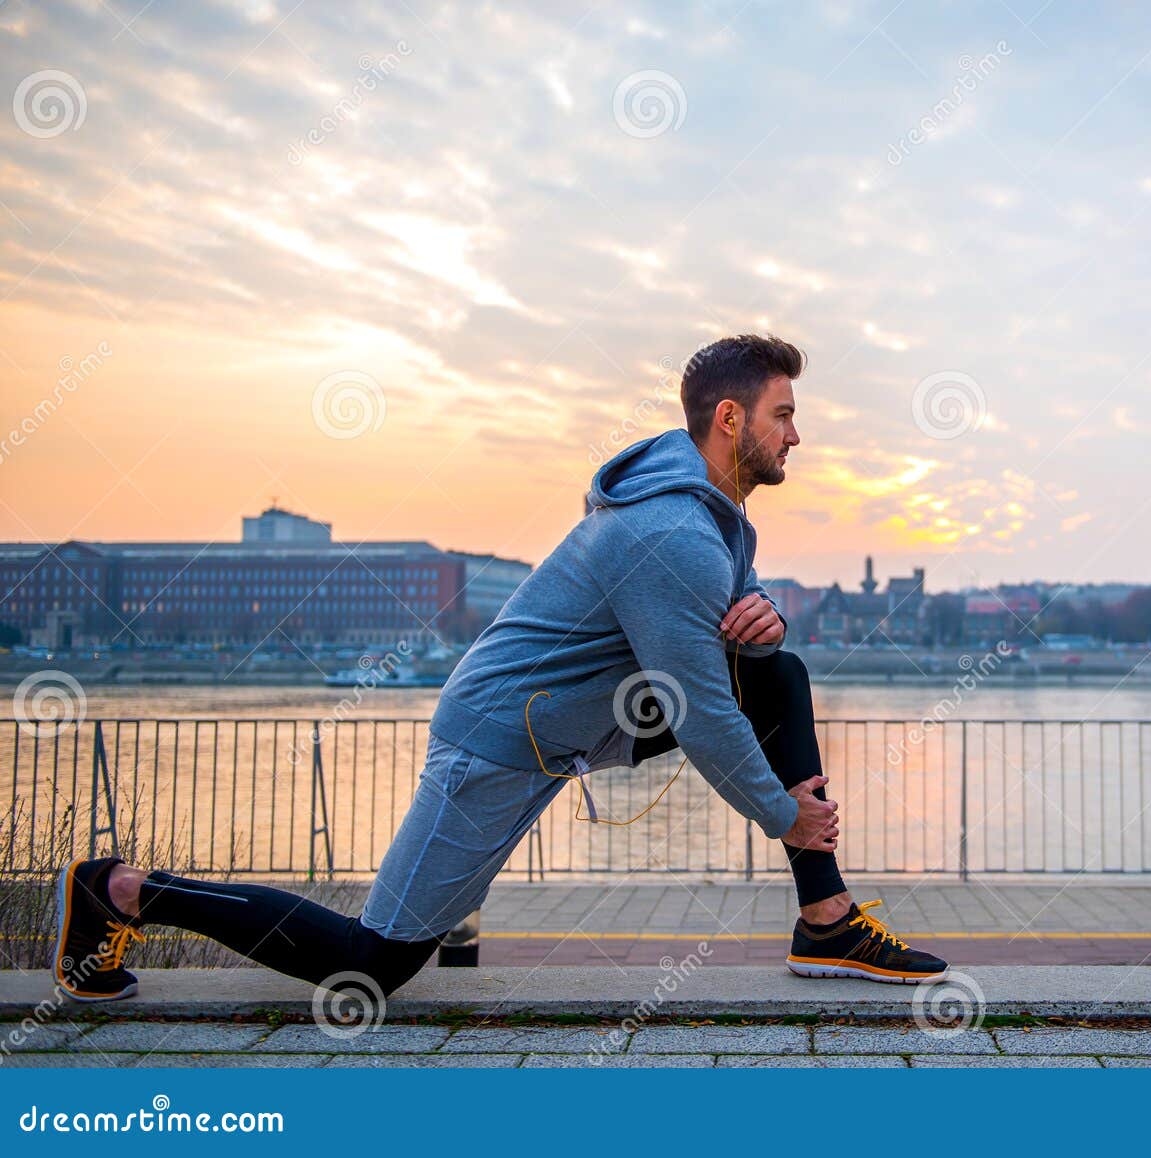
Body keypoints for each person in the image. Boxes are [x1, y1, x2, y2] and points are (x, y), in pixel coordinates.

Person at [53, 333, 948, 1004]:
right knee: (373, 967)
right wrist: (787, 815)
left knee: (779, 673)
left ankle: (824, 923)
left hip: (575, 716)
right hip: (497, 740)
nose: (798, 435)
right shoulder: (671, 531)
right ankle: (120, 891)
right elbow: (706, 712)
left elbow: (741, 636)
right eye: (784, 414)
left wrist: (768, 620)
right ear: (729, 419)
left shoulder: (714, 519)